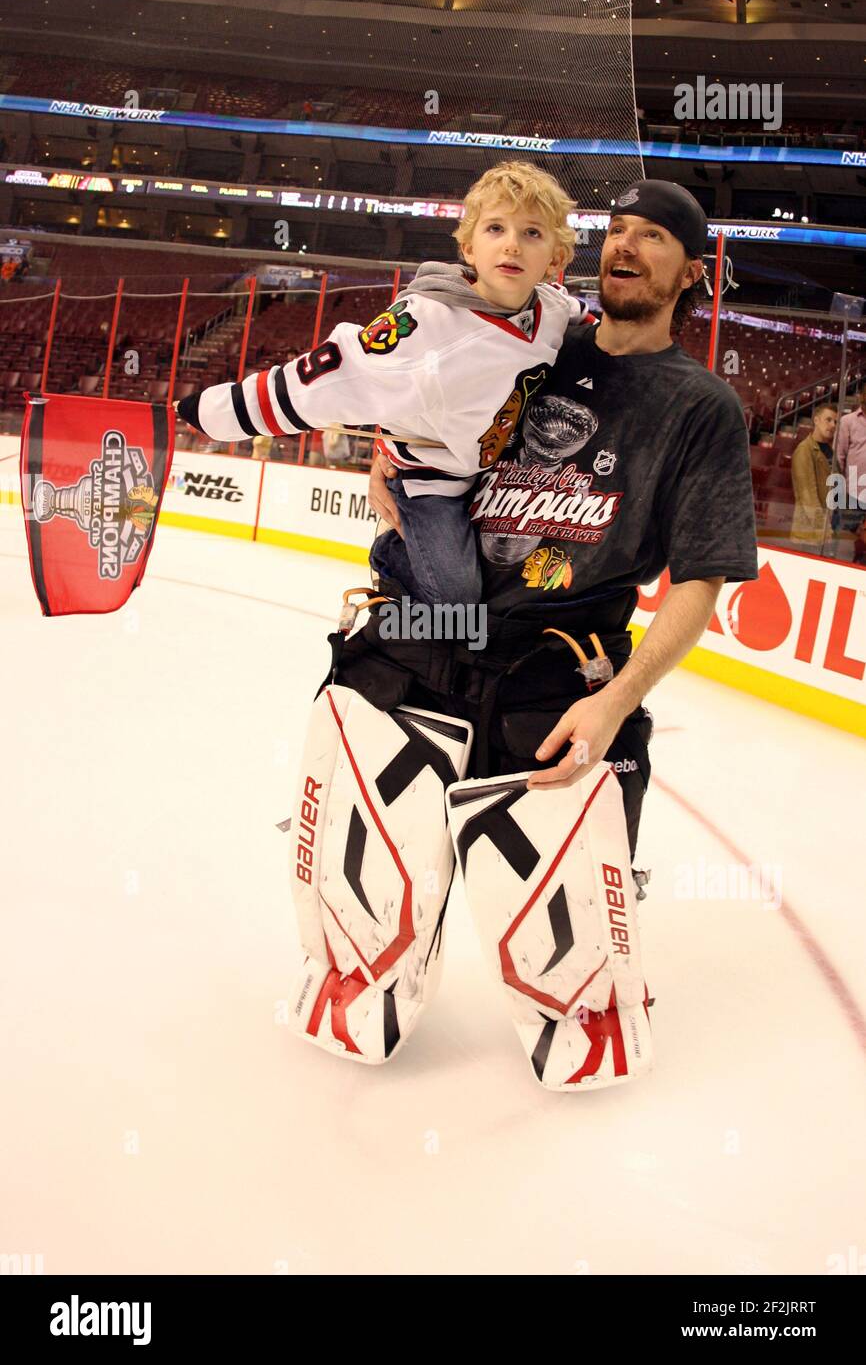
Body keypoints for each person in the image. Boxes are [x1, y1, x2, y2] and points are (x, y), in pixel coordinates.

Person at [284, 180, 759, 1091]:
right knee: (358, 940)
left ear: (693, 273)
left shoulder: (700, 409)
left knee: (573, 987)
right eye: (615, 232)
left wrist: (617, 705)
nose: (625, 248)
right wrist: (391, 455)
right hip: (422, 636)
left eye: (653, 239)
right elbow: (412, 392)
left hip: (552, 678)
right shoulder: (531, 335)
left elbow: (699, 584)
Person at [173, 161, 587, 606]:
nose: (512, 246)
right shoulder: (425, 326)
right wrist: (216, 411)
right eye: (495, 229)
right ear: (467, 247)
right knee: (457, 600)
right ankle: (390, 556)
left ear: (556, 258)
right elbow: (331, 375)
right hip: (428, 479)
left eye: (532, 233)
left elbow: (588, 322)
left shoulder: (552, 308)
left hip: (491, 474)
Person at [790, 404, 836, 549]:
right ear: (816, 420)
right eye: (828, 420)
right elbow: (807, 495)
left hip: (826, 527)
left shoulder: (830, 450)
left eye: (835, 422)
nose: (832, 425)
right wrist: (823, 529)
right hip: (810, 533)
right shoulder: (805, 450)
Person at [835, 381, 866, 556]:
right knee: (845, 545)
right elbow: (839, 456)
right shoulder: (847, 421)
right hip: (852, 493)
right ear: (860, 396)